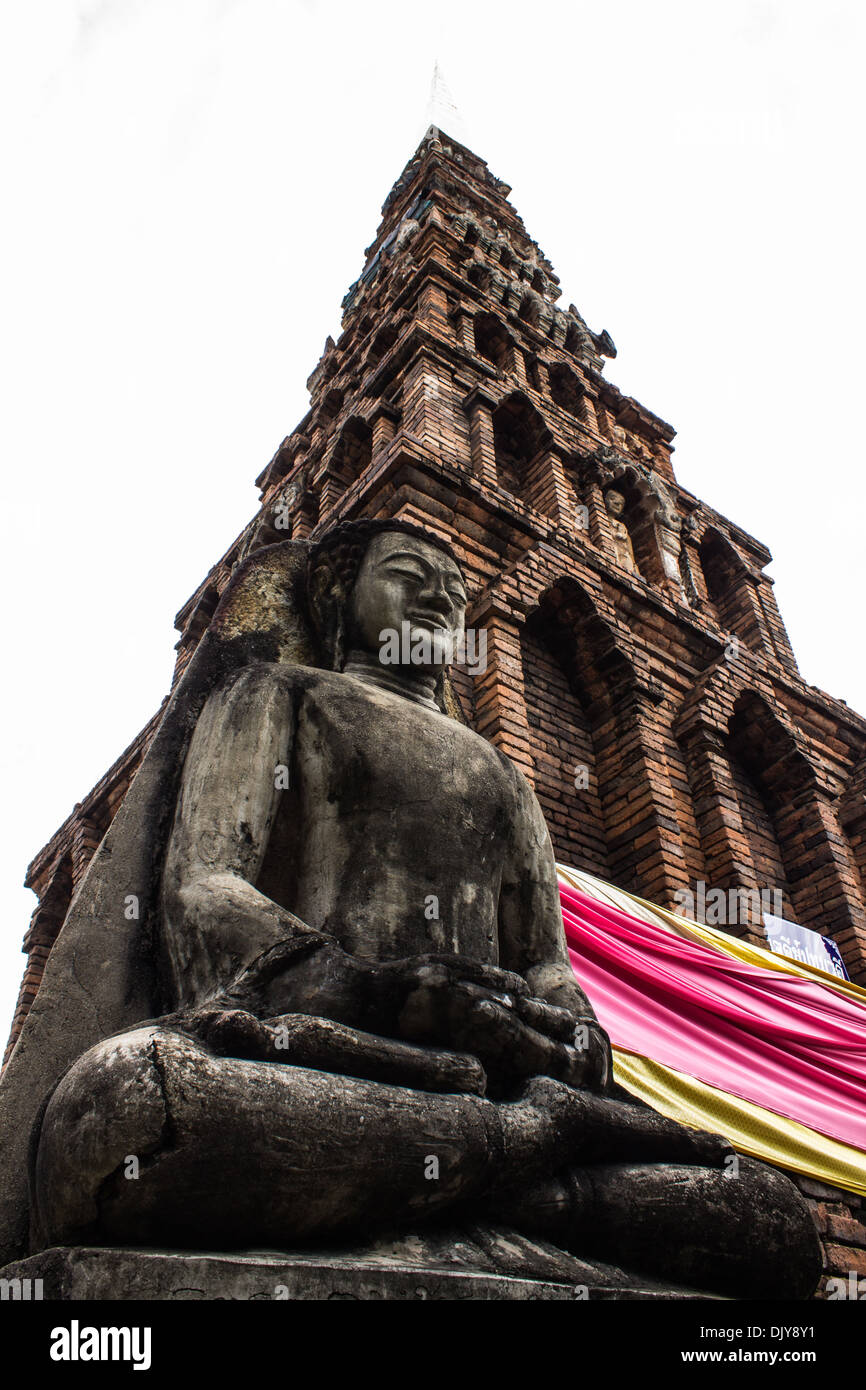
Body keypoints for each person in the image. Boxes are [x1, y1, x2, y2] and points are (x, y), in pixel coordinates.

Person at [33, 519, 820, 1298]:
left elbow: (544, 961)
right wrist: (372, 992)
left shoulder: (503, 776)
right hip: (329, 1058)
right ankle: (523, 1177)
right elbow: (204, 883)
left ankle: (481, 1168)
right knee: (129, 1104)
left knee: (768, 1214)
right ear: (341, 598)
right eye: (410, 576)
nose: (439, 602)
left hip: (483, 1081)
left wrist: (570, 1031)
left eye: (454, 591)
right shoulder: (282, 694)